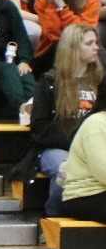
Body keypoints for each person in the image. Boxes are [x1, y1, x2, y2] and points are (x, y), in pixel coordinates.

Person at [30, 26, 100, 214]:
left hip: (95, 146)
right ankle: (52, 216)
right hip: (56, 148)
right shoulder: (49, 82)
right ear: (74, 48)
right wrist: (75, 143)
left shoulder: (100, 80)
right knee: (67, 168)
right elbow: (40, 128)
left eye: (96, 42)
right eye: (89, 43)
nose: (96, 48)